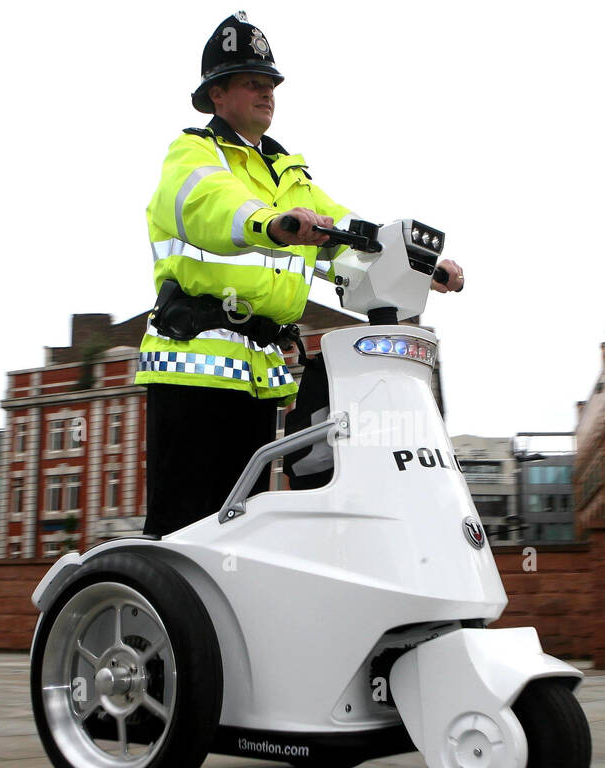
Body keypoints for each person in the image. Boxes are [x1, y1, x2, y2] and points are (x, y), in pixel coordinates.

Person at [136, 12, 464, 537]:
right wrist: (273, 223)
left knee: (240, 529)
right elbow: (212, 207)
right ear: (217, 94)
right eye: (252, 83)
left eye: (270, 84)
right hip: (193, 362)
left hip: (260, 372)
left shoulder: (289, 174)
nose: (267, 94)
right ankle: (163, 616)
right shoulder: (195, 153)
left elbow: (351, 237)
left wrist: (419, 265)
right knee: (186, 529)